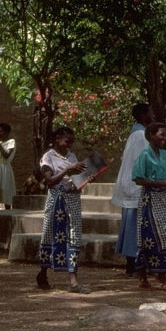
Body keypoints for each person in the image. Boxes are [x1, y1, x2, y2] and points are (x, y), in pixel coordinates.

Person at [36, 126, 92, 294]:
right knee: (50, 234)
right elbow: (49, 181)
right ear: (57, 138)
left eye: (71, 142)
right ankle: (43, 272)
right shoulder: (48, 157)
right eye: (67, 141)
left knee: (74, 236)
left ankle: (73, 281)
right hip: (56, 201)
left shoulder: (71, 156)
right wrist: (68, 170)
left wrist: (85, 178)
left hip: (72, 199)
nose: (69, 145)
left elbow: (74, 179)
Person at [132, 121, 166, 291]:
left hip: (164, 199)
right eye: (161, 134)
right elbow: (139, 179)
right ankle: (146, 277)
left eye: (165, 135)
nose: (164, 138)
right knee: (149, 237)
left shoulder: (164, 153)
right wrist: (162, 182)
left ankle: (162, 273)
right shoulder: (144, 155)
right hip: (150, 200)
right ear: (151, 135)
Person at [111, 103, 154, 276]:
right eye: (150, 113)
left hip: (132, 186)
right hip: (135, 187)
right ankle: (134, 264)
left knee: (132, 227)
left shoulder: (136, 134)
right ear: (144, 116)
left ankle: (134, 264)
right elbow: (143, 162)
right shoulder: (140, 135)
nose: (153, 116)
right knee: (134, 228)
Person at [0, 123, 16, 210]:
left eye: (0, 131)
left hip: (5, 171)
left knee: (6, 194)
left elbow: (6, 155)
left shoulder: (11, 142)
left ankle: (8, 219)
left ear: (6, 132)